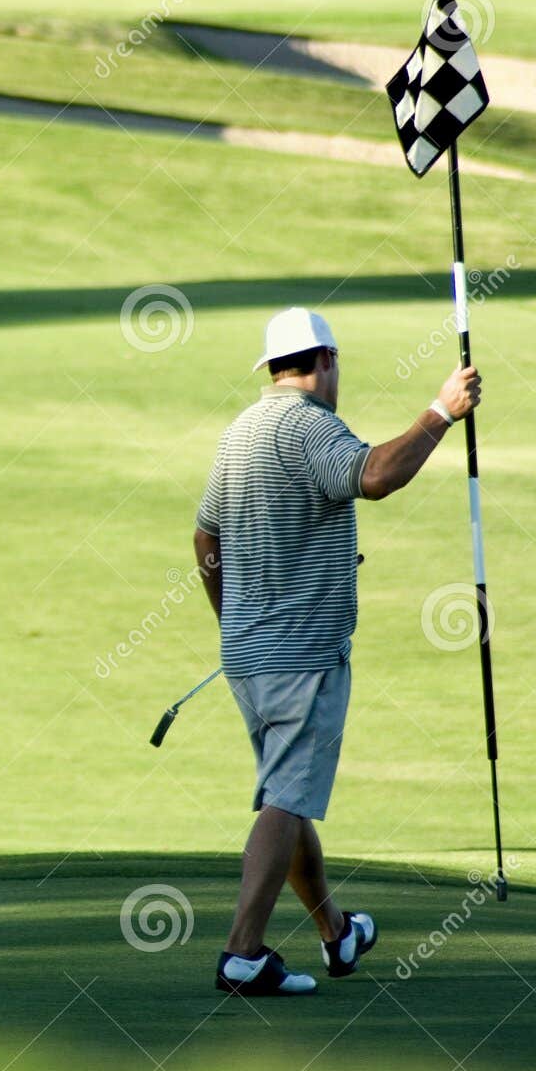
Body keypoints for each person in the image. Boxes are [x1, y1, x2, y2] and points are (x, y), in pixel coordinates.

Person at [193, 306, 480, 995]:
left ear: (271, 366)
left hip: (248, 655)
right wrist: (441, 412)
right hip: (302, 654)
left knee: (285, 794)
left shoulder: (240, 430)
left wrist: (233, 618)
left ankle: (336, 934)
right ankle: (243, 952)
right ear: (325, 359)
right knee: (286, 798)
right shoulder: (308, 425)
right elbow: (375, 474)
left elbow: (206, 539)